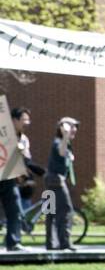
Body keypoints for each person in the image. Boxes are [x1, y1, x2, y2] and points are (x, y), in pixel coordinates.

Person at [2, 105, 37, 251]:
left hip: (10, 180)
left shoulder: (24, 139)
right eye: (24, 119)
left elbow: (27, 160)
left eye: (28, 120)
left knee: (15, 209)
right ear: (13, 120)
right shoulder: (2, 134)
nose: (27, 123)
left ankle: (13, 242)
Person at [44, 116, 79, 251]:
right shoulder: (59, 141)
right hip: (56, 181)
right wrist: (65, 135)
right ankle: (64, 243)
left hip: (50, 180)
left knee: (50, 212)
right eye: (71, 126)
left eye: (75, 126)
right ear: (63, 128)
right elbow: (61, 152)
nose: (74, 129)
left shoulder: (62, 142)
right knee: (65, 210)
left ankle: (51, 244)